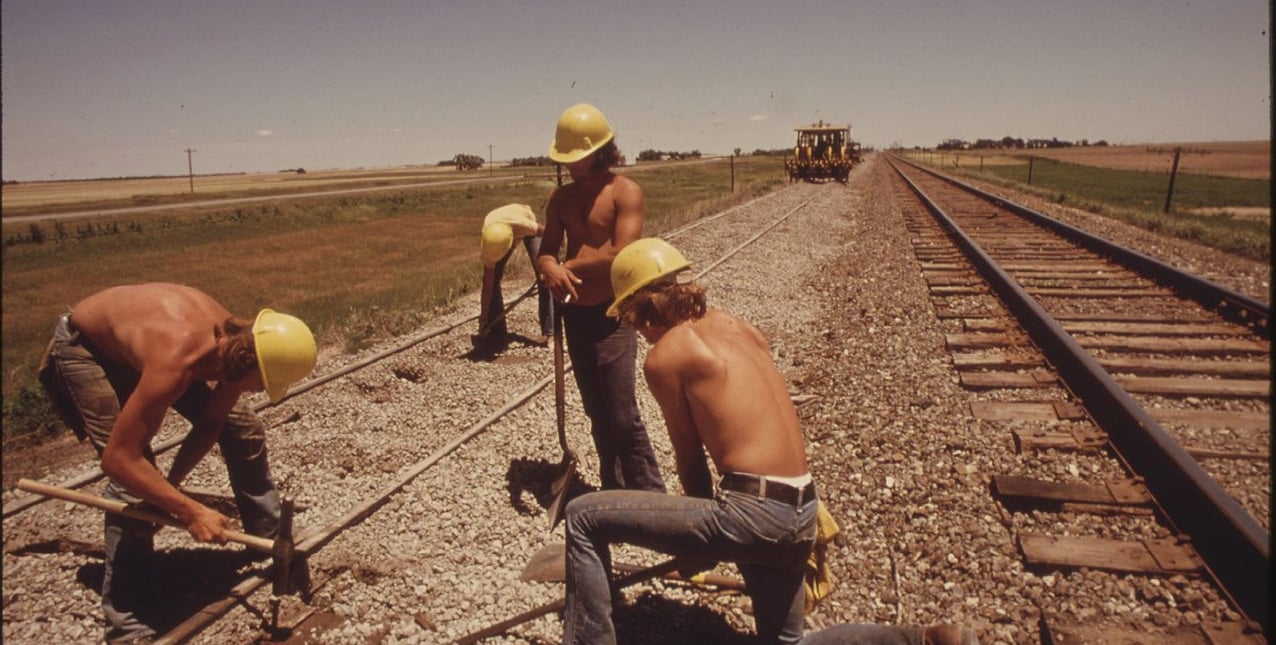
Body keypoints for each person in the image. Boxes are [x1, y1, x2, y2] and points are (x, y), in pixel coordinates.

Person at [561, 239, 979, 645]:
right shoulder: (738, 326)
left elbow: (690, 460)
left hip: (753, 514)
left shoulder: (666, 354)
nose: (637, 332)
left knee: (583, 515)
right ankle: (922, 639)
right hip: (803, 510)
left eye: (632, 320)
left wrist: (700, 548)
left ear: (644, 307)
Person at [37, 283, 317, 643]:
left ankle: (267, 540)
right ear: (252, 364)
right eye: (262, 384)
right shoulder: (178, 360)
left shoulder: (237, 344)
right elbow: (119, 459)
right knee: (134, 475)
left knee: (242, 429)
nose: (261, 392)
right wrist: (189, 512)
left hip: (140, 347)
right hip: (85, 348)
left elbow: (212, 423)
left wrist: (168, 490)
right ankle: (126, 624)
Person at [535, 103, 666, 493]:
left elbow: (620, 256)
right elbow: (545, 250)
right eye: (567, 159)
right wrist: (547, 266)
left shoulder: (625, 192)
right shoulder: (560, 199)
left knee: (623, 414)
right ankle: (614, 489)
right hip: (575, 316)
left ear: (601, 151)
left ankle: (651, 496)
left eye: (579, 157)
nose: (572, 165)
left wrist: (564, 266)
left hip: (614, 315)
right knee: (596, 410)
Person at [474, 203, 553, 347]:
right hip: (498, 226)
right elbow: (488, 284)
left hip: (525, 217)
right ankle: (495, 329)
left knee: (544, 276)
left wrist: (551, 262)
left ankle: (550, 332)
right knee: (493, 278)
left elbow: (547, 233)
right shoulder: (489, 241)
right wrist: (483, 318)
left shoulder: (523, 225)